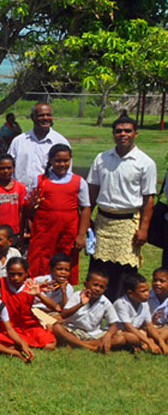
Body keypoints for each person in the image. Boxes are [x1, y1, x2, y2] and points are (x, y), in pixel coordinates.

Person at [87, 114, 157, 300]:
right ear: (113, 134)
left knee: (124, 271)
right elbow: (92, 193)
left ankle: (120, 313)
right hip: (103, 222)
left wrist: (144, 228)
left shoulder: (145, 163)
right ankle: (96, 308)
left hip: (128, 223)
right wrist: (87, 221)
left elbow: (148, 199)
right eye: (119, 131)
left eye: (127, 131)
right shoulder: (102, 159)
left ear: (135, 133)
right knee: (100, 269)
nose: (123, 134)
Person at [26, 144, 90, 283]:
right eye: (58, 161)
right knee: (40, 261)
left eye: (66, 160)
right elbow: (29, 209)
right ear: (50, 160)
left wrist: (81, 235)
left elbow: (85, 209)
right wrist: (32, 204)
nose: (62, 164)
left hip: (68, 231)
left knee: (64, 261)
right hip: (44, 231)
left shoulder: (79, 182)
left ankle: (63, 295)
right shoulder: (40, 180)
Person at [8, 103, 70, 192]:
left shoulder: (60, 142)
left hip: (48, 194)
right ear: (32, 117)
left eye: (49, 115)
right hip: (20, 195)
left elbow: (66, 173)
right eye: (41, 115)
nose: (45, 118)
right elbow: (9, 167)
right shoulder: (19, 141)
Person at [52, 270, 119, 351]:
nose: (97, 289)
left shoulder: (105, 302)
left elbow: (114, 325)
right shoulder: (77, 296)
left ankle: (75, 344)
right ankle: (90, 347)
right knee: (56, 328)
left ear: (105, 289)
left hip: (92, 334)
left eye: (101, 287)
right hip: (73, 331)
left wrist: (108, 335)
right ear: (85, 284)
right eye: (95, 285)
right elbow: (63, 315)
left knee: (120, 338)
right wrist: (80, 304)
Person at [113, 273, 168, 354]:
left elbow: (149, 326)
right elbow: (129, 327)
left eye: (147, 290)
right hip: (122, 332)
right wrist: (150, 343)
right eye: (143, 291)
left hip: (138, 331)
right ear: (130, 293)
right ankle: (146, 344)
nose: (147, 294)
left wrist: (161, 342)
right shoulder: (121, 303)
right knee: (131, 337)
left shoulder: (144, 303)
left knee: (165, 331)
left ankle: (143, 346)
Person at [0, 154, 26, 237]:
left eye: (9, 168)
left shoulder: (20, 187)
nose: (6, 171)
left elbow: (21, 211)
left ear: (13, 168)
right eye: (2, 168)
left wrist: (21, 232)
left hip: (13, 232)